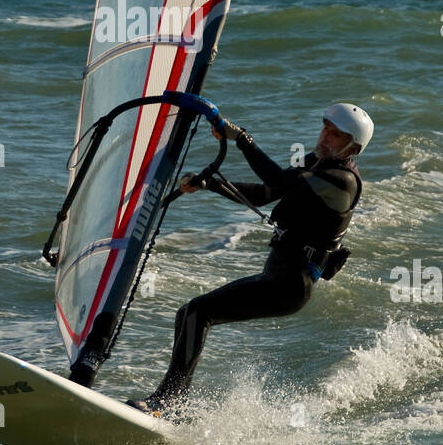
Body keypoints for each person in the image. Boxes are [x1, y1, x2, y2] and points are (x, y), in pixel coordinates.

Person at [126, 102, 373, 417]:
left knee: (198, 313)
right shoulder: (318, 162)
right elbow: (266, 193)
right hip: (276, 277)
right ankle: (175, 401)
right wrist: (211, 183)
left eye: (336, 135)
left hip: (289, 286)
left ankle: (168, 401)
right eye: (325, 127)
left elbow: (279, 180)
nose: (325, 136)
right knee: (188, 313)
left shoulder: (341, 180)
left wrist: (242, 137)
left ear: (353, 147)